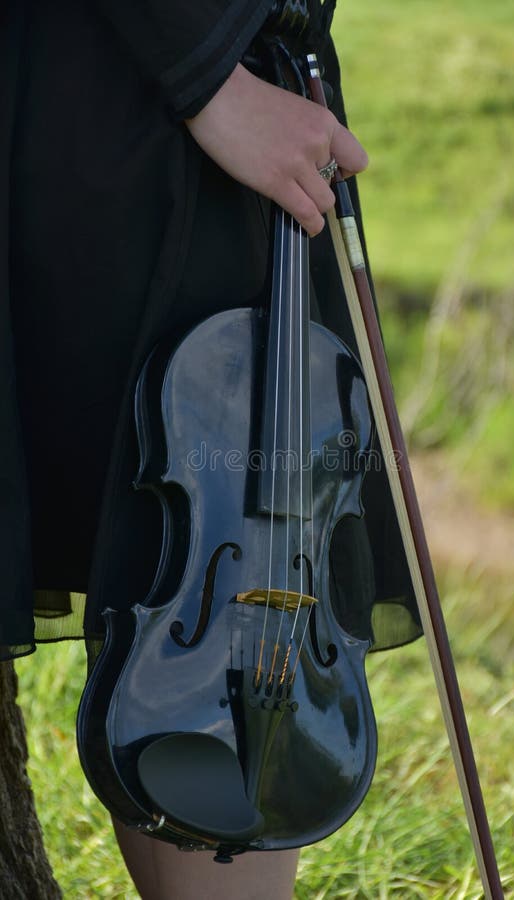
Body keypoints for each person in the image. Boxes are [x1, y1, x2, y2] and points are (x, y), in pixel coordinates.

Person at [1, 1, 421, 897]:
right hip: (165, 106)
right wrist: (210, 85)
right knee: (206, 590)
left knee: (198, 565)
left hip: (241, 91)